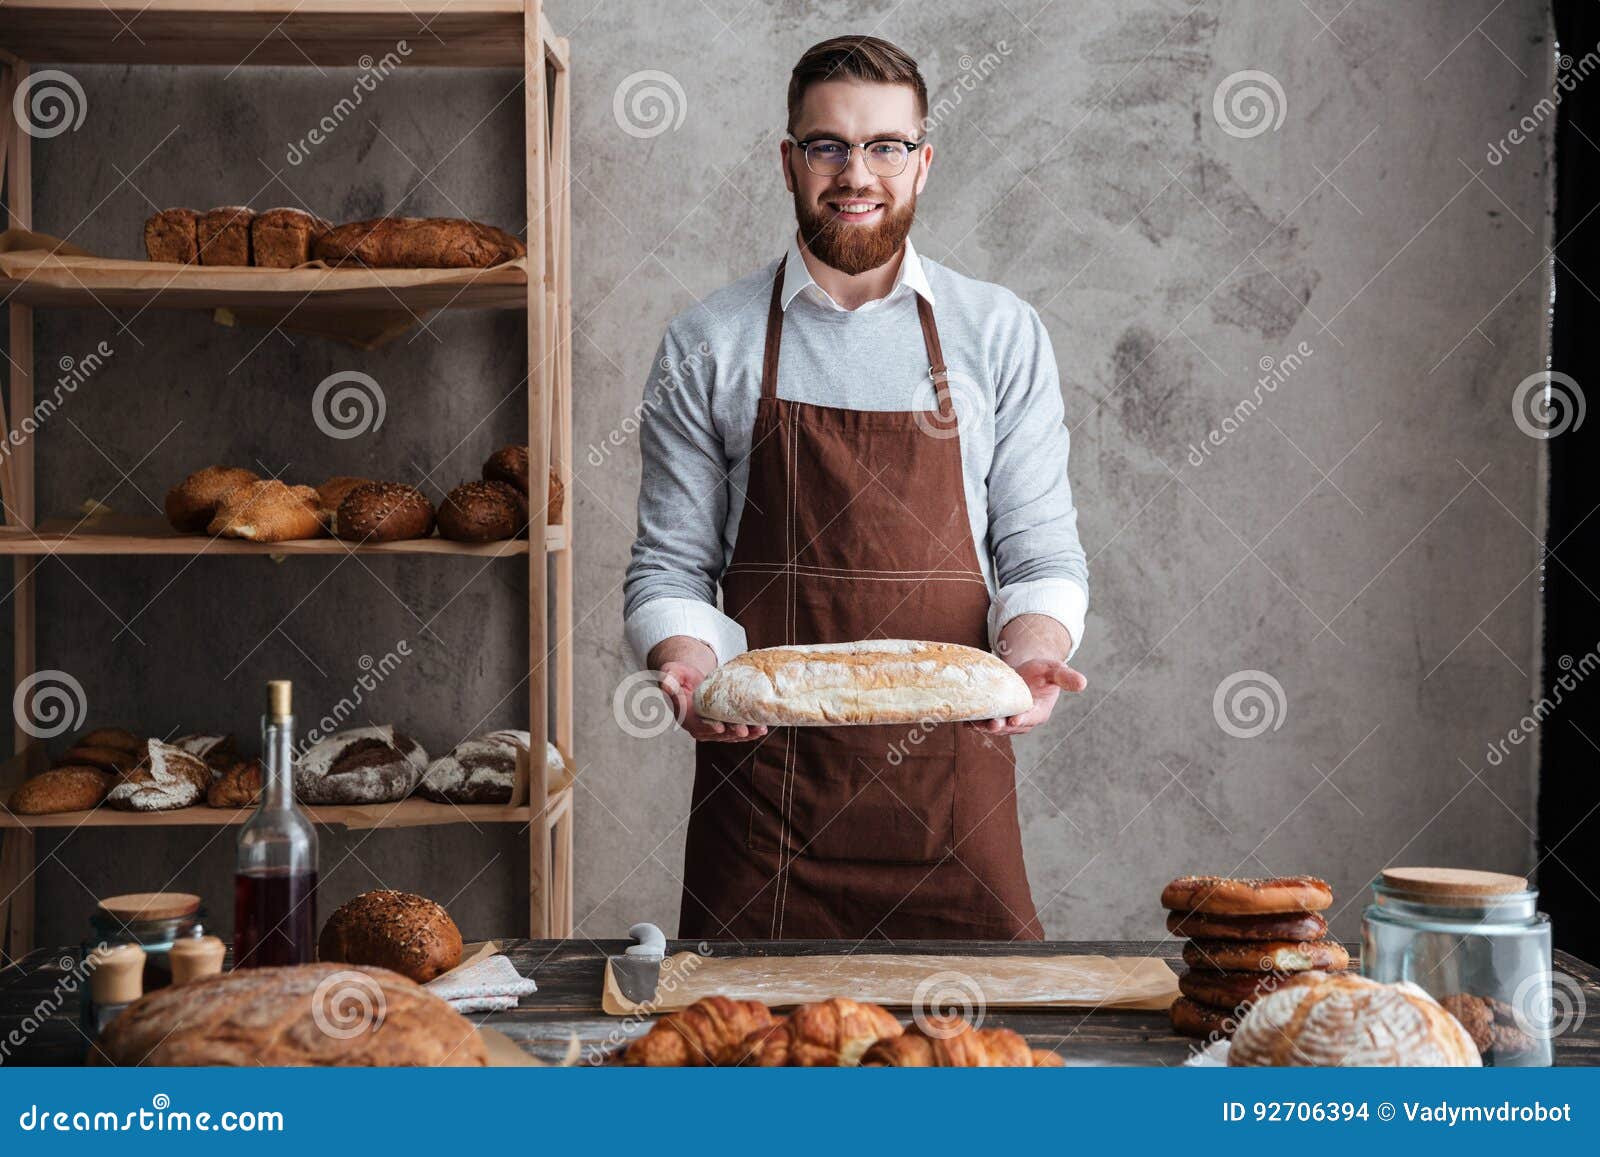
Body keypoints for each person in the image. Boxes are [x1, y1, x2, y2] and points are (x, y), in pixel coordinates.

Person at [623, 35, 1088, 940]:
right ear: (789, 161)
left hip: (952, 806)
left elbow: (1037, 550)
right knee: (746, 1068)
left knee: (975, 1070)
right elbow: (670, 567)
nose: (855, 173)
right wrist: (684, 658)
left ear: (923, 163)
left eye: (885, 145)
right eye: (828, 145)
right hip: (763, 811)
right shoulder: (706, 342)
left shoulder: (999, 332)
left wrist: (1032, 650)